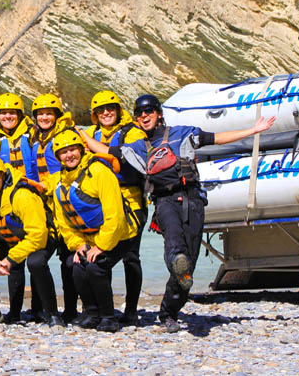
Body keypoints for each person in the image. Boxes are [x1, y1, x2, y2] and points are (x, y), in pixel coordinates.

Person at [122, 94, 275, 333]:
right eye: (140, 113)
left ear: (158, 114)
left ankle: (169, 311)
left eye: (149, 111)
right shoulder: (138, 147)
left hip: (192, 198)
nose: (144, 116)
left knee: (188, 270)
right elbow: (109, 150)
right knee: (175, 245)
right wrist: (82, 137)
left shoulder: (183, 133)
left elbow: (216, 139)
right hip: (164, 201)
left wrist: (253, 130)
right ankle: (176, 262)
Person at [47, 130, 140, 332]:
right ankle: (92, 313)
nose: (69, 155)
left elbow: (114, 215)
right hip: (89, 237)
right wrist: (79, 245)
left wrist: (101, 246)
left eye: (73, 150)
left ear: (82, 150)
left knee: (95, 266)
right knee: (76, 264)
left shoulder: (99, 172)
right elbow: (63, 222)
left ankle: (108, 316)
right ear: (58, 157)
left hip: (121, 234)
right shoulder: (59, 181)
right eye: (63, 152)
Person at [0, 155, 63, 326]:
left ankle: (52, 314)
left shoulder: (22, 195)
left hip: (41, 237)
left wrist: (10, 258)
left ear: (3, 175)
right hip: (11, 238)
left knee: (36, 262)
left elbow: (38, 234)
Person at [80, 90, 148, 326]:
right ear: (94, 115)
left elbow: (128, 159)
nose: (106, 113)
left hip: (131, 202)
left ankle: (131, 310)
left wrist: (93, 146)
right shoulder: (90, 134)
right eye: (100, 110)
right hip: (101, 203)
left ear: (119, 111)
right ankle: (103, 308)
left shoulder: (133, 132)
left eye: (110, 109)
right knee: (102, 252)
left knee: (130, 257)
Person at [28, 93, 77, 322]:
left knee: (69, 261)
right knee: (36, 260)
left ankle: (70, 310)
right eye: (40, 114)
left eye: (49, 113)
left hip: (66, 205)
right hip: (44, 208)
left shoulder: (68, 137)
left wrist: (47, 186)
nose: (44, 117)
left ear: (57, 115)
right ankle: (47, 311)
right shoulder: (35, 139)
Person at [0, 93, 39, 182]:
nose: (7, 116)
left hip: (34, 187)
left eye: (12, 112)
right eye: (3, 113)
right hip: (7, 189)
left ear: (19, 115)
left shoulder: (33, 133)